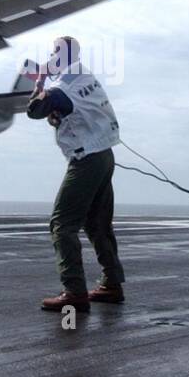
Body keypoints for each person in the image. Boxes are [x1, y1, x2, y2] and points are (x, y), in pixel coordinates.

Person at [27, 36, 125, 313]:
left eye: (54, 52)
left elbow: (33, 111)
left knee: (62, 224)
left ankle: (74, 292)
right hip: (105, 154)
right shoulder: (85, 76)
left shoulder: (60, 87)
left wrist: (39, 81)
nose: (50, 55)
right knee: (97, 224)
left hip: (86, 160)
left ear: (62, 56)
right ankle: (111, 284)